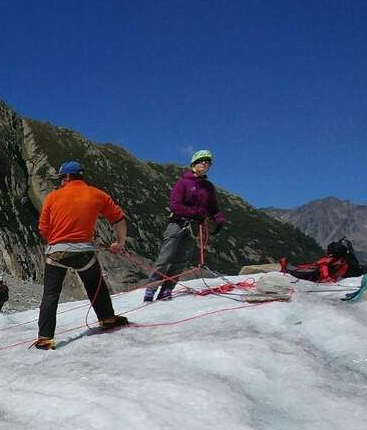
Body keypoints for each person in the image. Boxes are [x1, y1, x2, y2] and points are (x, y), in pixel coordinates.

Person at [34, 160, 129, 349]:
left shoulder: (52, 197)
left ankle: (45, 339)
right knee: (95, 283)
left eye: (61, 178)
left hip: (56, 252)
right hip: (83, 251)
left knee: (50, 295)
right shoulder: (97, 194)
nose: (60, 182)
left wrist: (57, 239)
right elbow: (119, 219)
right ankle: (107, 319)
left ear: (68, 177)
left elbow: (43, 228)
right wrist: (120, 243)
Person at [145, 149, 226, 301]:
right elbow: (175, 205)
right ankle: (151, 289)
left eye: (208, 163)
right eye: (202, 161)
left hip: (194, 227)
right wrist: (194, 213)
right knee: (165, 257)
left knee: (181, 260)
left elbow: (213, 207)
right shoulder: (183, 183)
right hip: (177, 224)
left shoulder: (208, 187)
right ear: (194, 164)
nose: (205, 164)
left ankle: (167, 290)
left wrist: (219, 219)